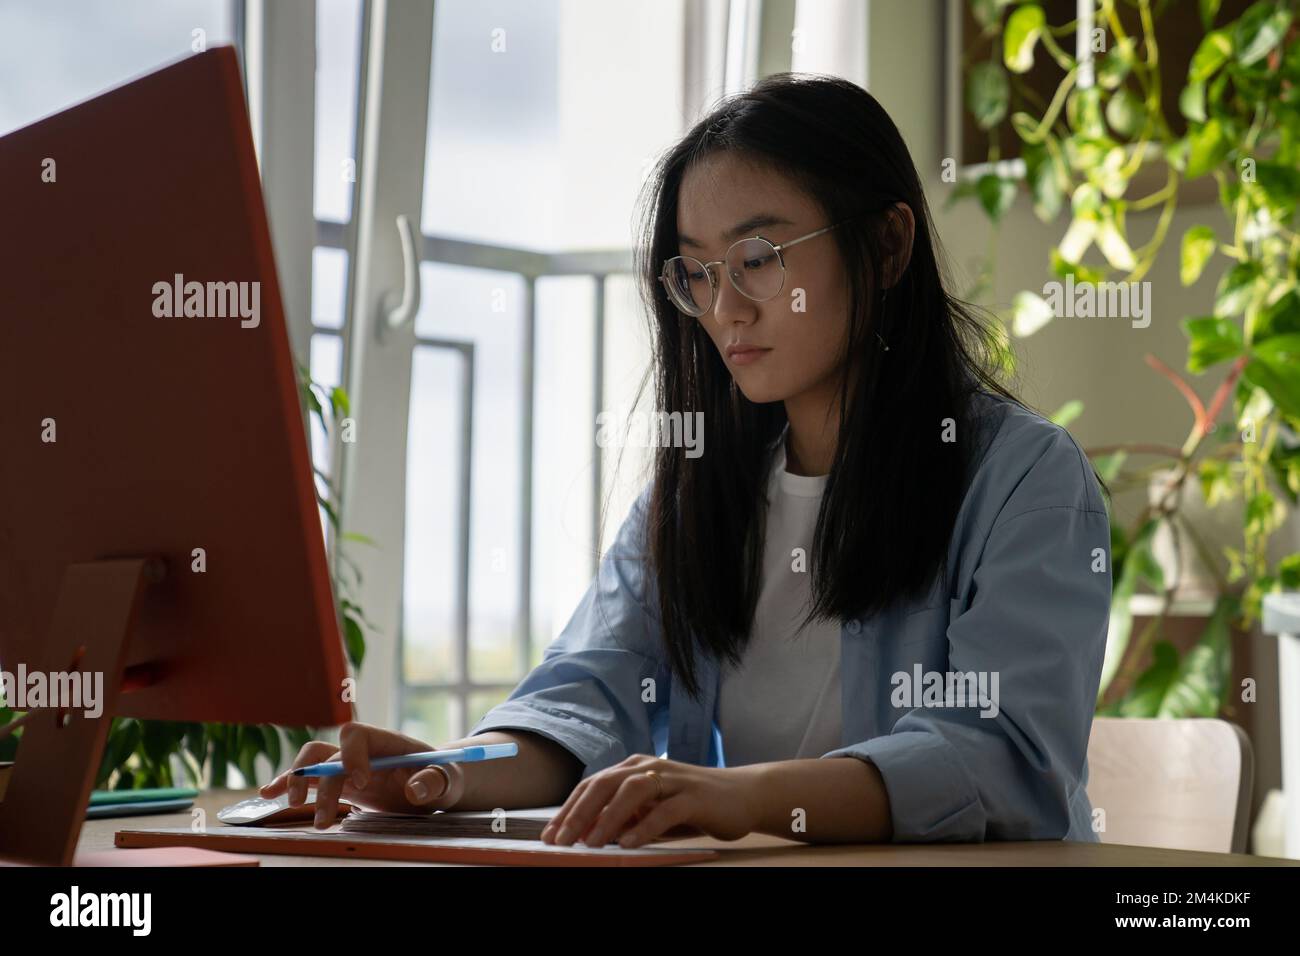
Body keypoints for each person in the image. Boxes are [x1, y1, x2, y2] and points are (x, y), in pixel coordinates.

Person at [261, 72, 1112, 848]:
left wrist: (742, 796)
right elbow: (587, 692)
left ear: (888, 246)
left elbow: (1002, 755)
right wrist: (440, 778)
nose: (723, 309)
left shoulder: (1024, 480)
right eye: (697, 274)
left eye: (758, 259)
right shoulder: (697, 490)